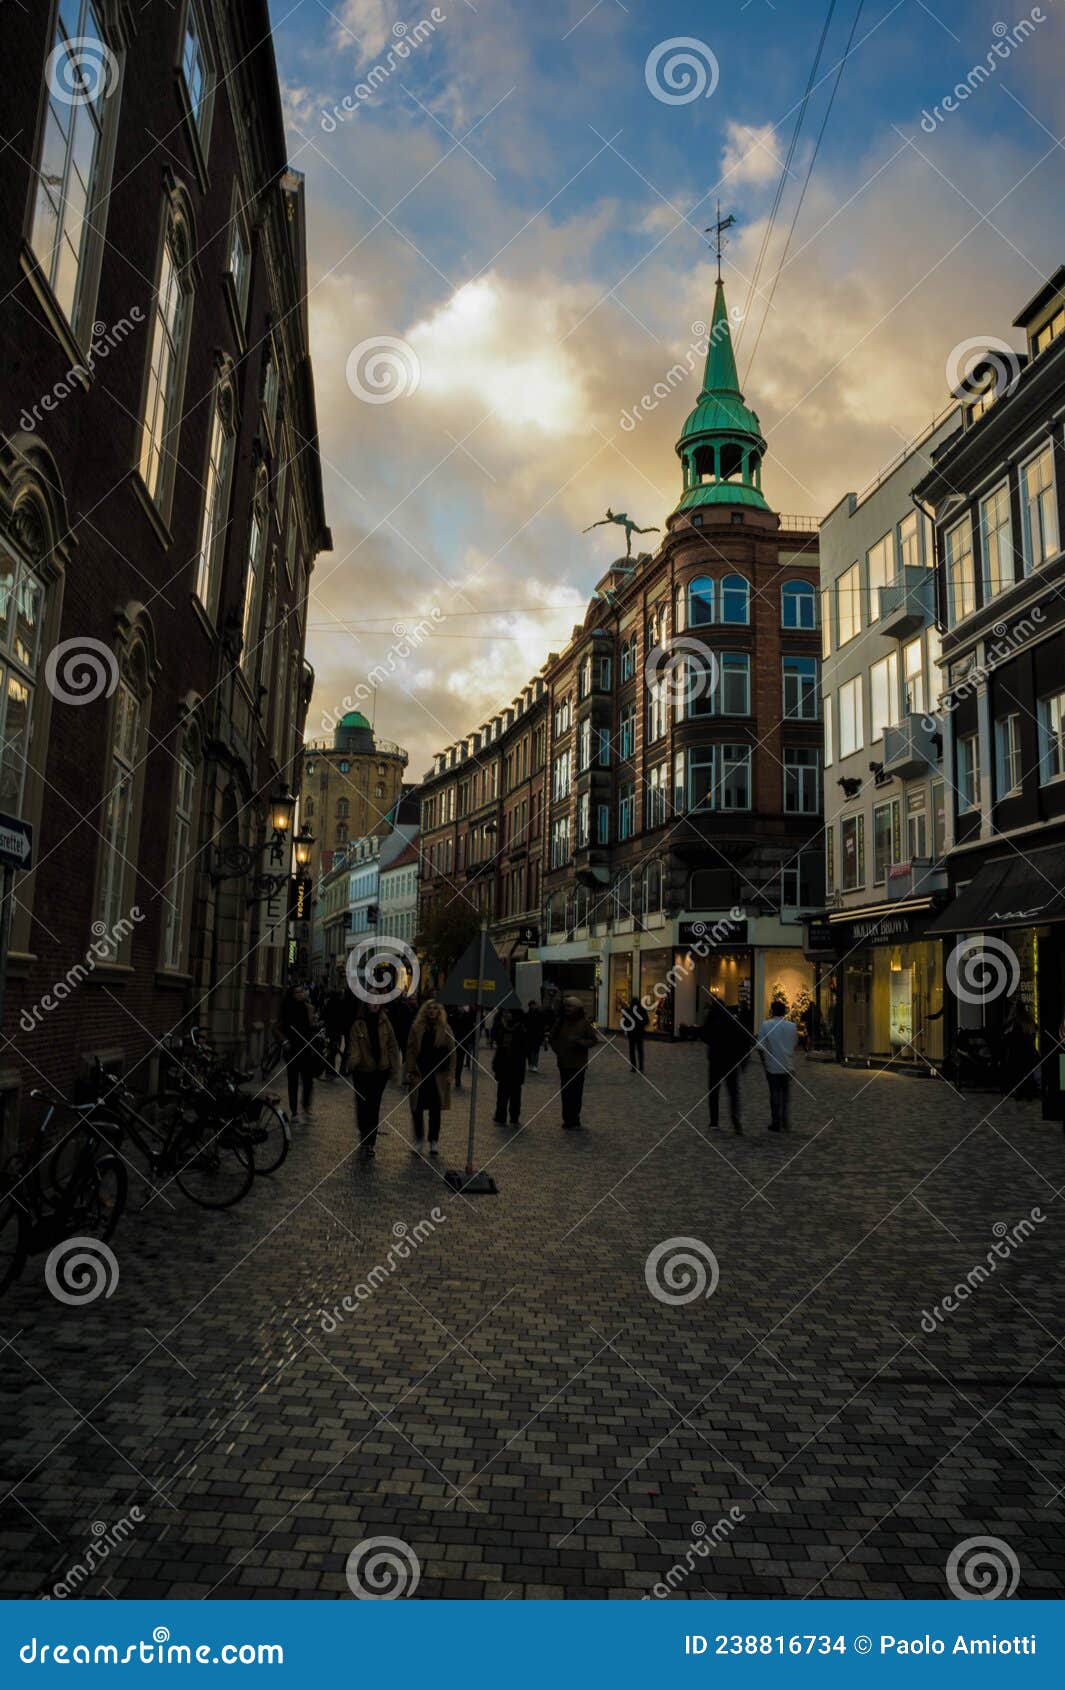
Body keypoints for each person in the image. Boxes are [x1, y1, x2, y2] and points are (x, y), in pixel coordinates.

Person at [345, 1001, 400, 1158]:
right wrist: (352, 1063)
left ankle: (370, 1143)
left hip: (380, 1072)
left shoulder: (385, 1022)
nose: (374, 1004)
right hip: (362, 1071)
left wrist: (394, 1068)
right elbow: (354, 1046)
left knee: (374, 1106)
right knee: (363, 1105)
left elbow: (392, 1045)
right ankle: (364, 1133)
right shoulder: (358, 1024)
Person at [405, 1000, 454, 1155]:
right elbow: (410, 1049)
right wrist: (410, 1069)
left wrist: (451, 1074)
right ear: (425, 1011)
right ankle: (419, 1139)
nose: (432, 1011)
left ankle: (433, 1140)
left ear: (439, 1011)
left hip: (438, 1074)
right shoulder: (416, 1028)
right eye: (429, 1008)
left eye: (435, 1008)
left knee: (435, 1109)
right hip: (420, 1073)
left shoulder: (445, 1029)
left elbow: (452, 1052)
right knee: (416, 1108)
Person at [700, 995, 754, 1134]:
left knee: (714, 1091)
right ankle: (736, 1121)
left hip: (715, 1061)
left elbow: (704, 1035)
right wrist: (742, 1060)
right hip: (730, 1061)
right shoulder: (732, 1020)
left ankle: (714, 1121)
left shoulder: (712, 1019)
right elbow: (741, 1040)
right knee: (733, 1092)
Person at [549, 996, 598, 1129]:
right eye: (566, 1006)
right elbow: (552, 1037)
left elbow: (593, 1040)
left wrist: (580, 1042)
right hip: (564, 1062)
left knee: (576, 1092)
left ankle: (574, 1118)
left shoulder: (584, 1023)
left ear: (577, 1008)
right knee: (565, 1092)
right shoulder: (560, 1021)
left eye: (570, 1006)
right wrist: (558, 1050)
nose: (567, 1009)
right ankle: (567, 1118)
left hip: (578, 1064)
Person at [755, 999, 800, 1132]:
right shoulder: (792, 1026)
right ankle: (785, 1120)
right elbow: (795, 1044)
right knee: (785, 1094)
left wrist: (764, 1063)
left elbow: (760, 1047)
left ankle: (776, 1121)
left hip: (772, 1065)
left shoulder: (766, 1025)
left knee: (774, 1093)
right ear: (784, 1011)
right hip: (788, 1065)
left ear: (772, 1011)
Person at [280, 982, 319, 1122]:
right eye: (297, 992)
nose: (300, 994)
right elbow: (277, 1028)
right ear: (292, 994)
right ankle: (294, 1112)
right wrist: (284, 1041)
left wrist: (316, 1027)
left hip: (306, 1048)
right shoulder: (286, 1008)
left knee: (308, 1081)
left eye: (302, 991)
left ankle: (306, 1108)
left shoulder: (309, 1008)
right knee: (293, 1081)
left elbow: (311, 1026)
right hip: (292, 1049)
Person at [492, 1005, 527, 1126]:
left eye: (509, 1013)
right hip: (503, 1063)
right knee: (502, 1092)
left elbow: (524, 1046)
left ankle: (514, 1117)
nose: (507, 1015)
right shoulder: (499, 1024)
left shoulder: (520, 1027)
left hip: (516, 1064)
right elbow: (495, 1038)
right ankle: (500, 1115)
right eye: (505, 1013)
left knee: (515, 1092)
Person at [322, 986, 356, 1079]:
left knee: (332, 1050)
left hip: (332, 1030)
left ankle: (331, 1070)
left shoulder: (332, 1003)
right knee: (339, 1050)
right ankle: (340, 1069)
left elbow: (324, 1015)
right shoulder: (343, 1003)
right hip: (340, 1030)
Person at [451, 1004, 475, 1090]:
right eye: (459, 1006)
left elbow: (470, 1028)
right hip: (452, 1041)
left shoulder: (468, 1016)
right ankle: (453, 1075)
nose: (460, 1007)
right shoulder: (452, 1014)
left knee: (460, 1061)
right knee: (453, 1061)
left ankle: (457, 1077)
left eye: (462, 1006)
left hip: (463, 1042)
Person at [625, 996, 649, 1074]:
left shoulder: (629, 1010)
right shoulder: (642, 1010)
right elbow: (646, 1021)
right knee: (640, 1051)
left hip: (631, 1033)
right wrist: (641, 1025)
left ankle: (633, 1067)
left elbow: (625, 1022)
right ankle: (641, 1067)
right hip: (639, 1033)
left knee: (632, 1051)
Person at [524, 999, 546, 1073]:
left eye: (534, 1005)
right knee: (529, 1051)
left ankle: (535, 1065)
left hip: (537, 1035)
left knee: (535, 1051)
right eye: (532, 1005)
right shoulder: (527, 1015)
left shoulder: (540, 1014)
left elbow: (542, 1025)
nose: (533, 1006)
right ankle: (530, 1064)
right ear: (530, 1006)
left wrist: (542, 1035)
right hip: (529, 1035)